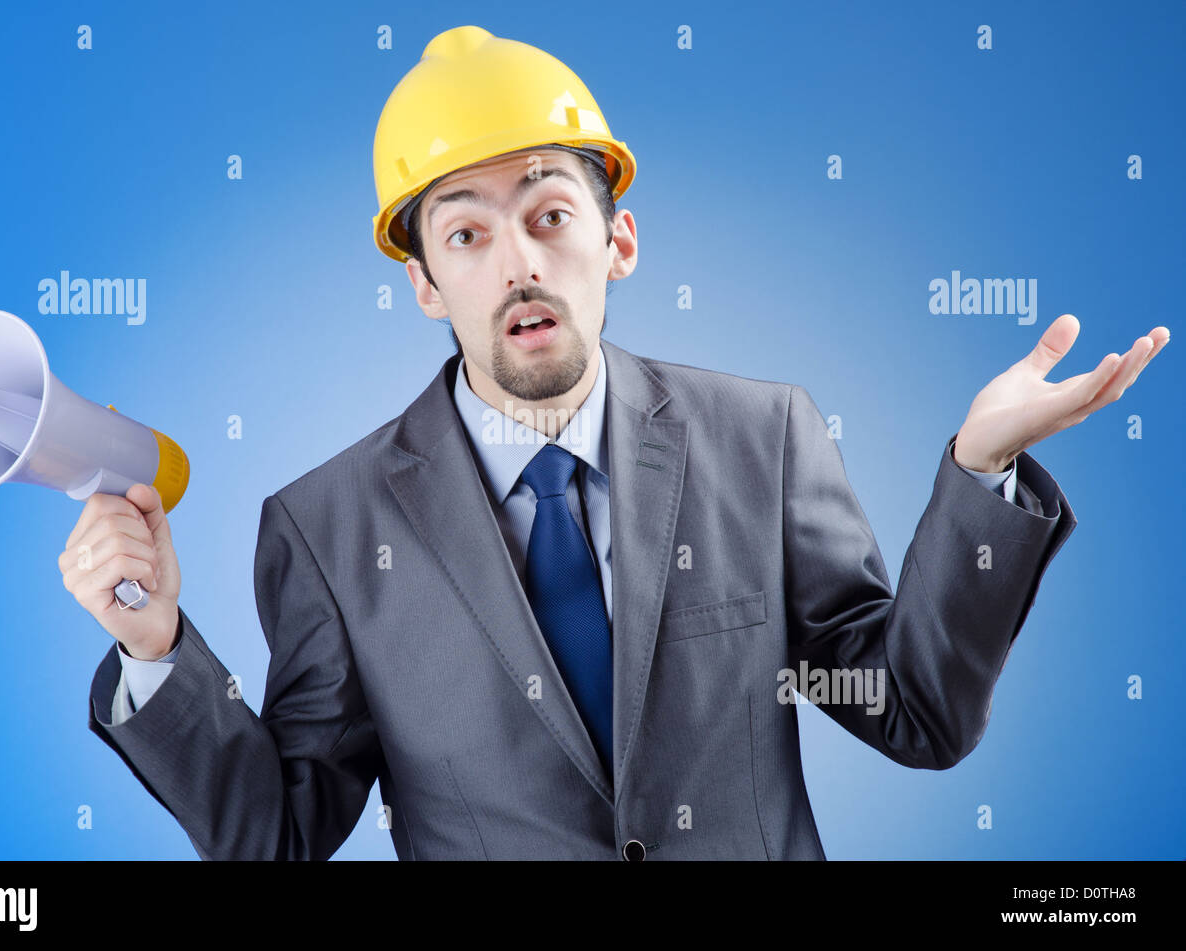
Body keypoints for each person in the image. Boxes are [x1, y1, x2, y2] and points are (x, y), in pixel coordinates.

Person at [60, 26, 1169, 860]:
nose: (518, 264)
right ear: (425, 284)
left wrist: (979, 473)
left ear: (618, 240)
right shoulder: (326, 528)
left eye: (548, 214)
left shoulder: (764, 440)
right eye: (466, 233)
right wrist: (157, 652)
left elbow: (913, 711)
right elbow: (280, 837)